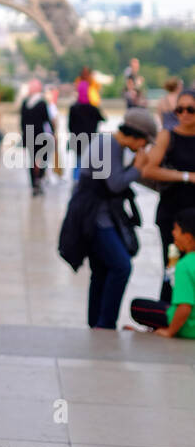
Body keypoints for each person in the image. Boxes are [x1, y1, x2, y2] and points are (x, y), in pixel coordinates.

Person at [57, 108, 190, 330]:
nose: (144, 148)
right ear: (135, 136)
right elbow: (116, 183)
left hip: (97, 213)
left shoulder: (111, 144)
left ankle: (97, 324)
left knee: (101, 269)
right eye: (144, 142)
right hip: (95, 216)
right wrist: (138, 168)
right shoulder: (108, 145)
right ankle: (106, 323)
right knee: (121, 266)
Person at [141, 88, 195, 303]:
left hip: (194, 215)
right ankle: (168, 314)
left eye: (190, 109)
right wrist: (185, 176)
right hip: (172, 213)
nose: (184, 114)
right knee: (172, 266)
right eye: (179, 110)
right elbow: (148, 170)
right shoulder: (168, 136)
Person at [128, 208, 195, 337]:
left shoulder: (184, 265)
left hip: (188, 328)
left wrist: (170, 332)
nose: (173, 233)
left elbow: (185, 307)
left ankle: (157, 331)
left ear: (187, 238)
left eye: (176, 229)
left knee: (137, 306)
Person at [20, 79, 55, 196]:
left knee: (32, 160)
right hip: (40, 134)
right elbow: (47, 120)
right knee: (43, 158)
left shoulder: (25, 103)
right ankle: (39, 179)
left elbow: (22, 121)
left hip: (29, 134)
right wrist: (53, 133)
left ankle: (33, 182)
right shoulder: (42, 103)